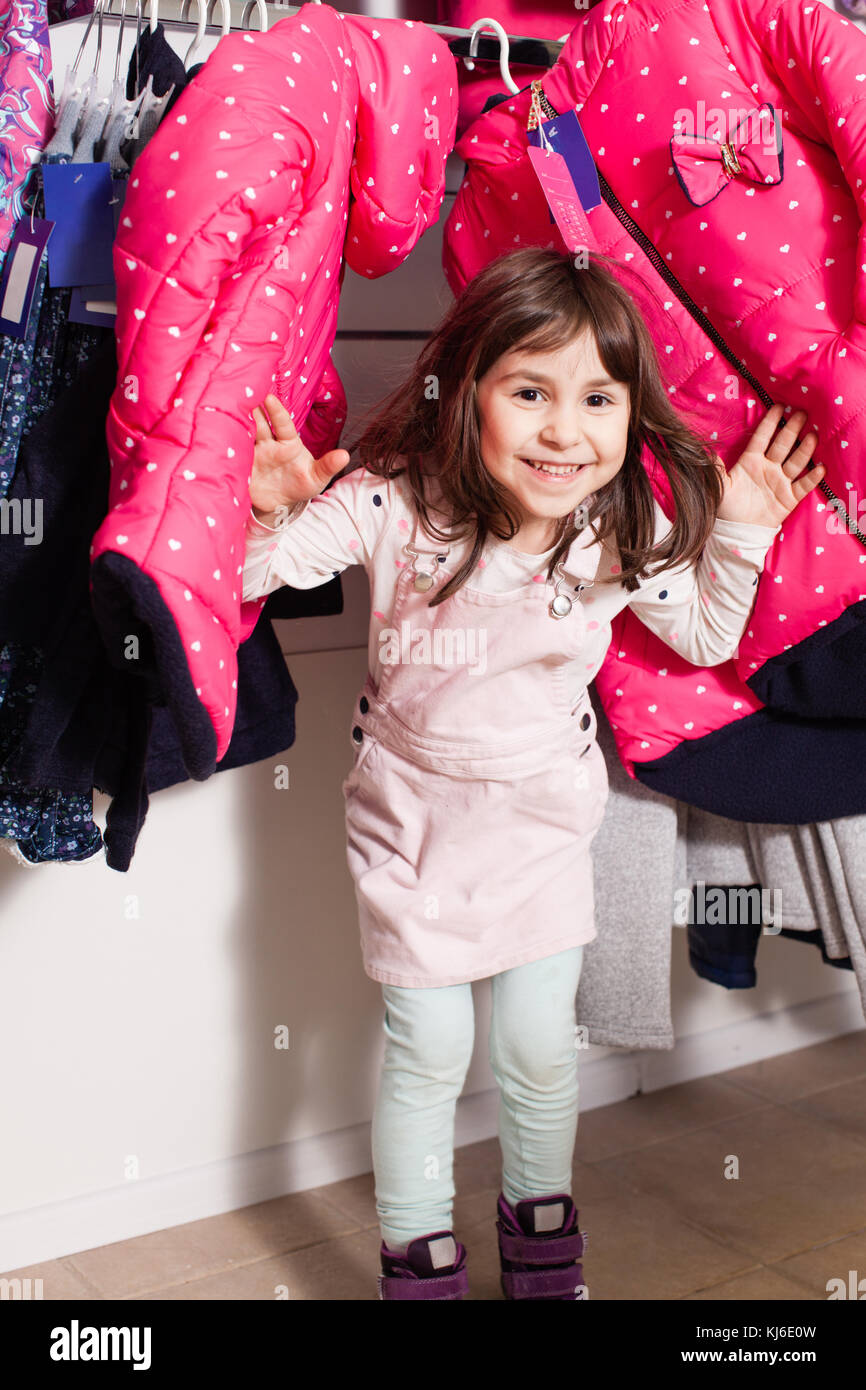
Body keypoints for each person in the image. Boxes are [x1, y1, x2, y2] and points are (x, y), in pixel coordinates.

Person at [241, 248, 823, 1301]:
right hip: (411, 821)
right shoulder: (393, 505)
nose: (565, 430)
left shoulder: (613, 526)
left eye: (596, 397)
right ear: (466, 392)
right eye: (529, 392)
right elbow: (247, 579)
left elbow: (699, 633)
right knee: (426, 1045)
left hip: (542, 825)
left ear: (627, 410)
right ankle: (417, 1256)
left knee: (537, 1052)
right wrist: (272, 512)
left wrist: (740, 523)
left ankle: (544, 1243)